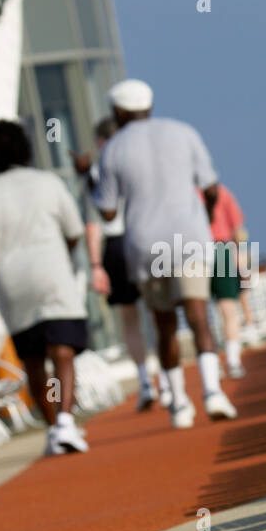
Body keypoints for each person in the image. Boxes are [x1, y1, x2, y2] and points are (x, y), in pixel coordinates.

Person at [92, 79, 237, 429]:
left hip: (146, 243)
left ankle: (179, 403)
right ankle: (213, 392)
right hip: (189, 236)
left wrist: (90, 178)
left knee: (164, 324)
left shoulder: (112, 149)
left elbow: (108, 211)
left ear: (118, 111)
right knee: (199, 315)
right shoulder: (183, 132)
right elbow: (211, 186)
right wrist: (202, 212)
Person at [0, 120, 89, 455]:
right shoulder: (48, 182)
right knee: (62, 351)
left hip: (12, 284)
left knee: (33, 360)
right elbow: (74, 229)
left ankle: (52, 429)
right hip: (53, 273)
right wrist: (64, 251)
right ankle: (65, 422)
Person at [73, 117, 169, 411]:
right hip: (147, 239)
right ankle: (166, 380)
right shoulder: (145, 163)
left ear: (101, 142)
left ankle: (145, 380)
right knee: (159, 314)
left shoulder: (95, 175)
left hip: (116, 247)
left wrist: (96, 265)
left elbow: (93, 225)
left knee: (130, 320)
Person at [203, 182, 250, 379]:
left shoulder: (184, 192)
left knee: (202, 315)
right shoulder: (220, 191)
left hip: (193, 251)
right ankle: (232, 362)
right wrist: (241, 258)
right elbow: (237, 229)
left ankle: (213, 365)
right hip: (221, 250)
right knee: (228, 310)